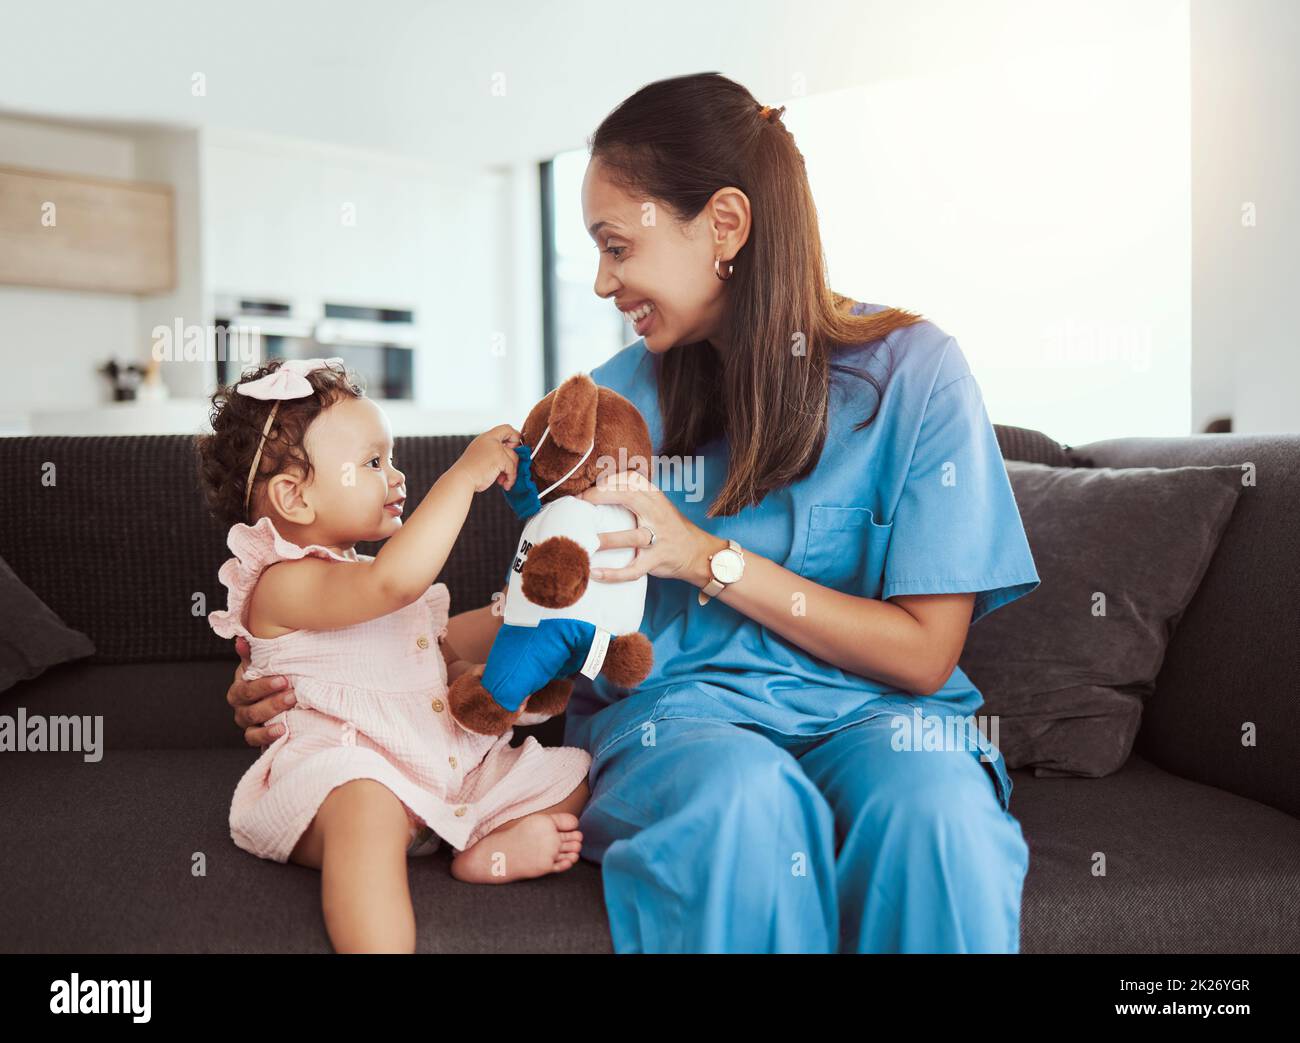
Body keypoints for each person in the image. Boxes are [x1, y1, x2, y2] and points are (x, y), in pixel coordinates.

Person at [227, 71, 1041, 953]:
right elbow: (536, 623)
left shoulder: (915, 376)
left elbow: (924, 655)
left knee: (938, 814)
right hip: (682, 722)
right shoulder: (598, 415)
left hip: (876, 714)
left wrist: (704, 558)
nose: (602, 283)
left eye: (617, 247)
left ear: (723, 225)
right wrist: (319, 676)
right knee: (743, 808)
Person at [198, 357, 590, 953]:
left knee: (570, 774)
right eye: (374, 463)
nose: (397, 476)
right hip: (347, 772)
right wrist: (461, 477)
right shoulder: (283, 583)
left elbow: (439, 647)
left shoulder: (368, 575)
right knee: (365, 810)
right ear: (294, 498)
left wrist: (521, 612)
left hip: (441, 768)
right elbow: (395, 583)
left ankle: (490, 849)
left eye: (392, 459)